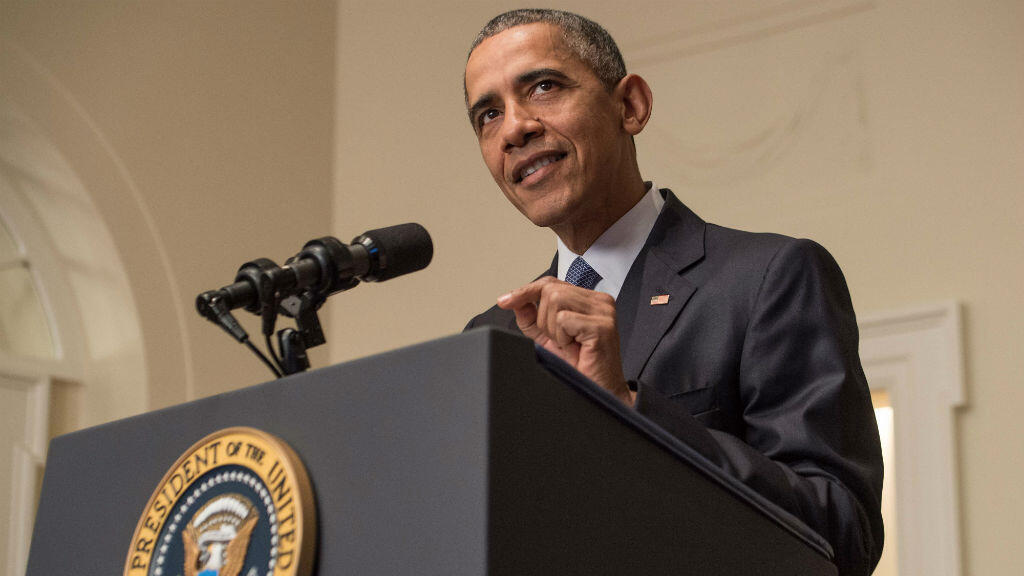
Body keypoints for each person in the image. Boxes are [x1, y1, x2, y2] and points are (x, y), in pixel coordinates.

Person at [462, 9, 884, 576]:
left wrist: (633, 411)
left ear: (630, 106)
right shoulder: (492, 338)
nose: (514, 128)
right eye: (488, 114)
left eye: (543, 87)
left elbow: (843, 534)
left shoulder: (769, 277)